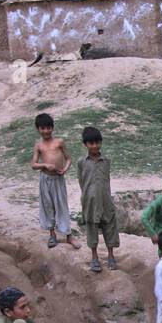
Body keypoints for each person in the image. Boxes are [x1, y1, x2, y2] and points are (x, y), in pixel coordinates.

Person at [77, 125, 119, 272]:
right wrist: (87, 196)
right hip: (90, 202)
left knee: (110, 227)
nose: (94, 146)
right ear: (85, 144)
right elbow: (81, 182)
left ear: (100, 142)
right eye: (91, 143)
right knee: (92, 229)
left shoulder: (106, 161)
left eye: (97, 142)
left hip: (106, 201)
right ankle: (94, 258)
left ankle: (111, 256)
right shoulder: (82, 162)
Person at [31, 112, 75, 249]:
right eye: (43, 128)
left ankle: (69, 236)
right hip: (45, 179)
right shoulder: (39, 145)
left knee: (62, 205)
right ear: (38, 129)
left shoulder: (59, 142)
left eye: (49, 128)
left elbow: (68, 158)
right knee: (48, 206)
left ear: (52, 128)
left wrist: (65, 169)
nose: (46, 131)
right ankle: (52, 235)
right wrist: (45, 165)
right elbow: (33, 165)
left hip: (58, 179)